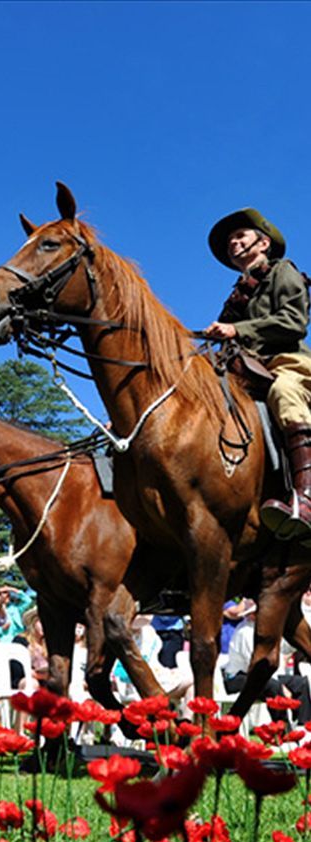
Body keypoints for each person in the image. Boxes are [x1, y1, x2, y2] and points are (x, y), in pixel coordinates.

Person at [205, 208, 311, 539]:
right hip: (245, 371)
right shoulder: (235, 297)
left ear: (263, 242)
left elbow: (294, 322)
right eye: (229, 241)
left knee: (285, 393)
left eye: (240, 236)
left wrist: (236, 330)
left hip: (285, 362)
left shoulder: (283, 271)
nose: (232, 243)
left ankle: (306, 498)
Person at [223, 603, 311, 727]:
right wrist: (282, 687)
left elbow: (284, 648)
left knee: (300, 683)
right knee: (273, 686)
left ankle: (305, 726)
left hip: (258, 675)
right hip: (237, 678)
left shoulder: (262, 629)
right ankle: (282, 728)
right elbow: (255, 666)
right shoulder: (245, 631)